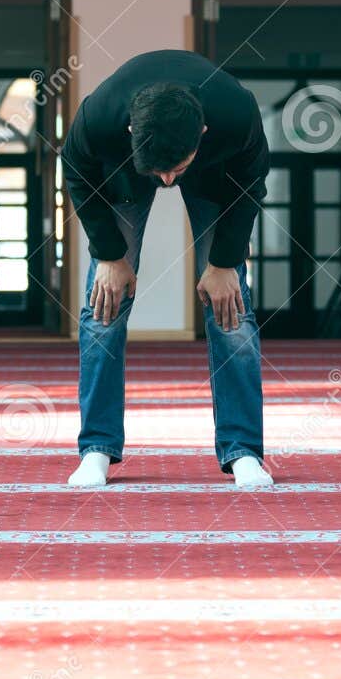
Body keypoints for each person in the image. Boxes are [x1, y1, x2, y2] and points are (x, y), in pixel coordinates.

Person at [60, 49, 272, 487]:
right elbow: (76, 172)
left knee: (231, 307)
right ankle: (96, 448)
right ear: (133, 130)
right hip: (124, 172)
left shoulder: (237, 113)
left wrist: (224, 262)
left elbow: (251, 183)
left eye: (177, 170)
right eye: (161, 172)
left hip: (217, 176)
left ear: (204, 133)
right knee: (104, 306)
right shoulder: (98, 116)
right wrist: (109, 255)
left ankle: (243, 451)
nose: (169, 182)